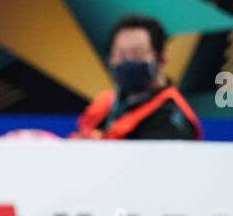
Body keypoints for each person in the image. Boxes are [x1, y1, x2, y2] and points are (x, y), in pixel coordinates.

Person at [73, 14, 202, 140]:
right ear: (110, 60)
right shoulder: (105, 105)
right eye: (122, 55)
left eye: (137, 55)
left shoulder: (171, 118)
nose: (129, 61)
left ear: (161, 59)